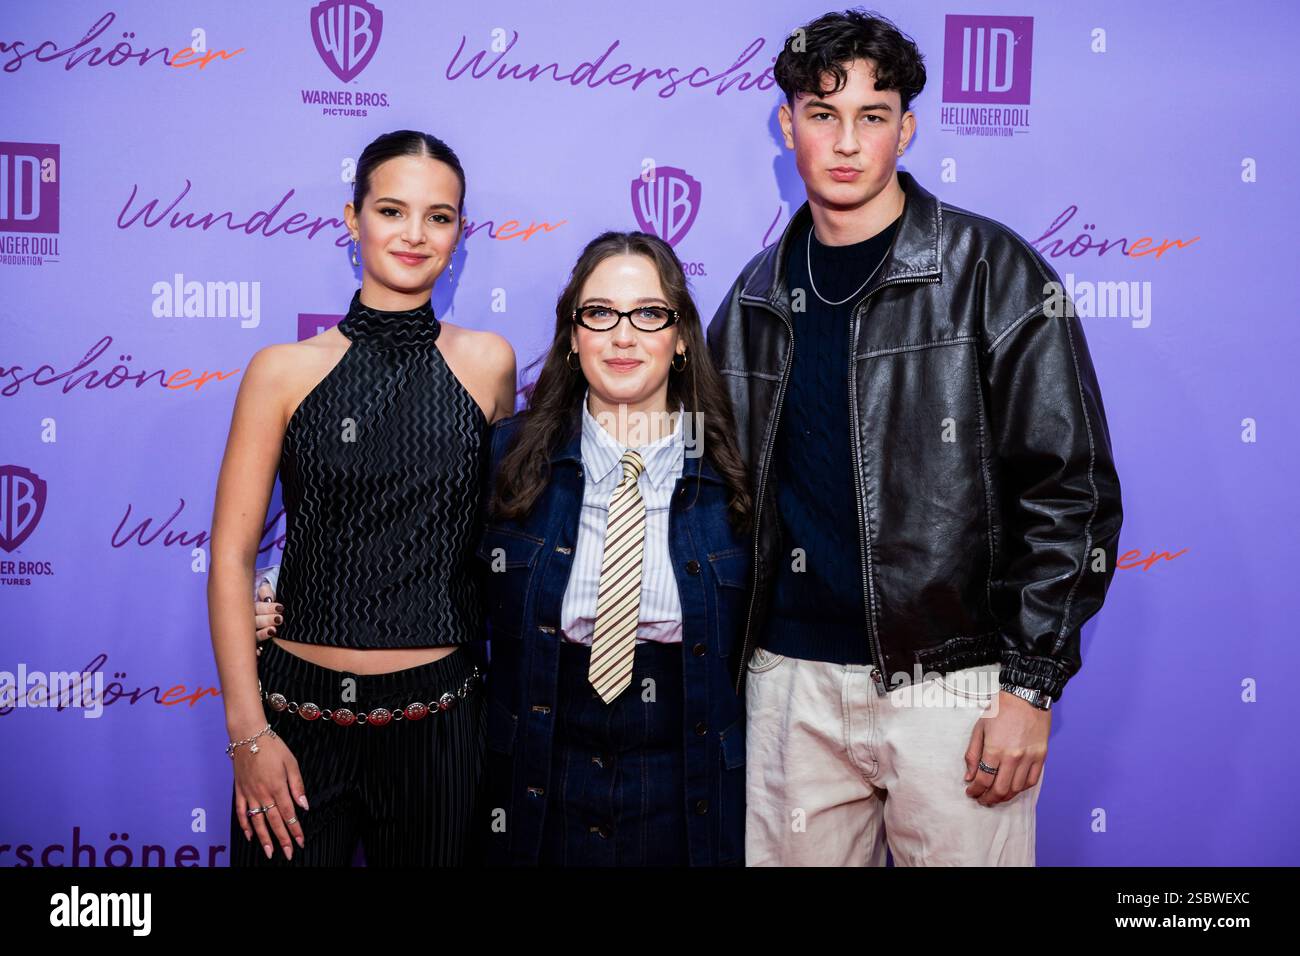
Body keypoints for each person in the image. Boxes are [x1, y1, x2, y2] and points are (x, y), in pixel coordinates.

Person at [704, 10, 1123, 865]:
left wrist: (1030, 687)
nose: (847, 141)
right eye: (823, 115)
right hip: (788, 687)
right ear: (787, 127)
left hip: (956, 688)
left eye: (873, 114)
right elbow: (711, 486)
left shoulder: (993, 271)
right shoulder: (752, 300)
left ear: (909, 126)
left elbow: (1070, 489)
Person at [254, 231, 753, 866]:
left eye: (649, 314)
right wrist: (273, 588)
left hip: (689, 797)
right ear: (572, 336)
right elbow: (411, 545)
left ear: (681, 336)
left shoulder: (737, 474)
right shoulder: (508, 461)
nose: (622, 337)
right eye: (598, 314)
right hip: (536, 789)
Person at [207, 128, 516, 866]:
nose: (414, 234)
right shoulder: (280, 371)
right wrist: (248, 735)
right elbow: (229, 556)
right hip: (293, 724)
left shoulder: (489, 364)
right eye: (391, 210)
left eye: (439, 217)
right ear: (353, 221)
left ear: (459, 235)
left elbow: (504, 534)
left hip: (441, 724)